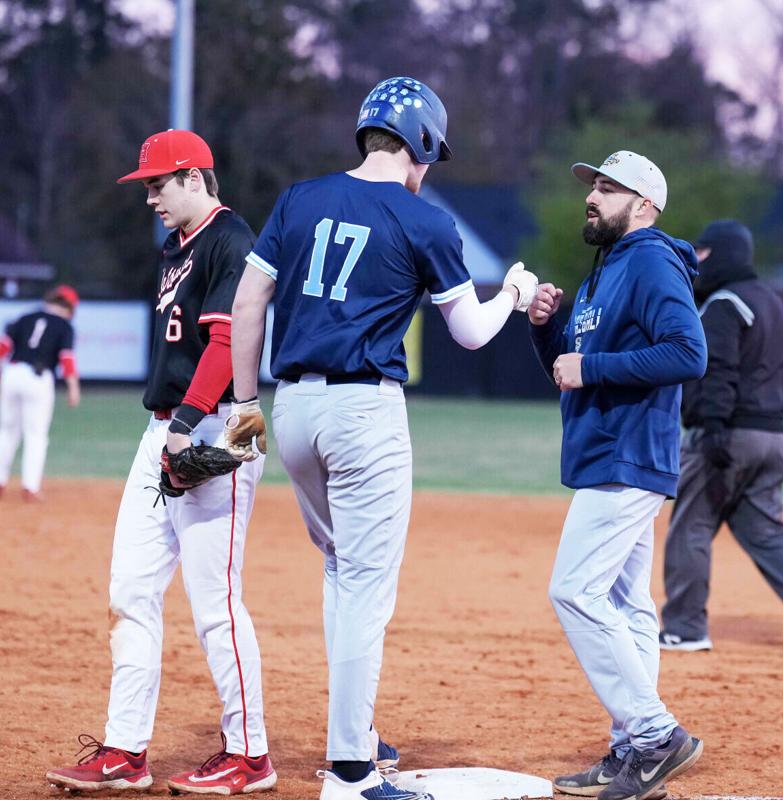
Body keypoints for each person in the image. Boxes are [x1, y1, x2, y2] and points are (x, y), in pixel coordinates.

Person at [225, 76, 538, 800]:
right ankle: (352, 774)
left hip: (292, 405)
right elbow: (469, 332)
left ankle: (357, 740)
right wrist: (515, 294)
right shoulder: (422, 219)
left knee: (340, 570)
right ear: (421, 141)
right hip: (364, 412)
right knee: (367, 587)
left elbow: (248, 302)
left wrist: (246, 407)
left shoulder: (299, 198)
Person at [45, 130, 276, 796]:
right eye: (146, 185)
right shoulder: (177, 248)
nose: (149, 197)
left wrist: (181, 428)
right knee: (131, 592)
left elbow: (228, 341)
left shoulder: (233, 240)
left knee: (216, 604)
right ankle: (125, 751)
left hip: (216, 428)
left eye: (158, 183)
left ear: (197, 178)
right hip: (166, 433)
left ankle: (251, 756)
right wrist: (168, 432)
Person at [528, 150, 707, 800]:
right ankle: (632, 751)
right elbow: (570, 368)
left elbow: (689, 352)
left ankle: (656, 734)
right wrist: (545, 331)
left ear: (645, 206)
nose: (592, 196)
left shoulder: (653, 259)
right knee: (628, 607)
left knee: (573, 590)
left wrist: (592, 369)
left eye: (608, 187)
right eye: (593, 186)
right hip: (608, 453)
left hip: (630, 456)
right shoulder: (603, 273)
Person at [659, 219, 783, 657]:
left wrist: (713, 429)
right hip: (774, 437)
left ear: (724, 254)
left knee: (692, 523)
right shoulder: (774, 304)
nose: (698, 263)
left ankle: (685, 627)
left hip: (729, 434)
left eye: (704, 254)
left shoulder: (724, 303)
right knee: (765, 531)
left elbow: (719, 371)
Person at [0, 284, 81, 501]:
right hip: (38, 377)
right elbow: (67, 359)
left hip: (12, 372)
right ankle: (30, 486)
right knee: (36, 435)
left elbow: (3, 344)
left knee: (7, 430)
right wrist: (73, 388)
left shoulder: (26, 317)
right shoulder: (64, 326)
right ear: (69, 307)